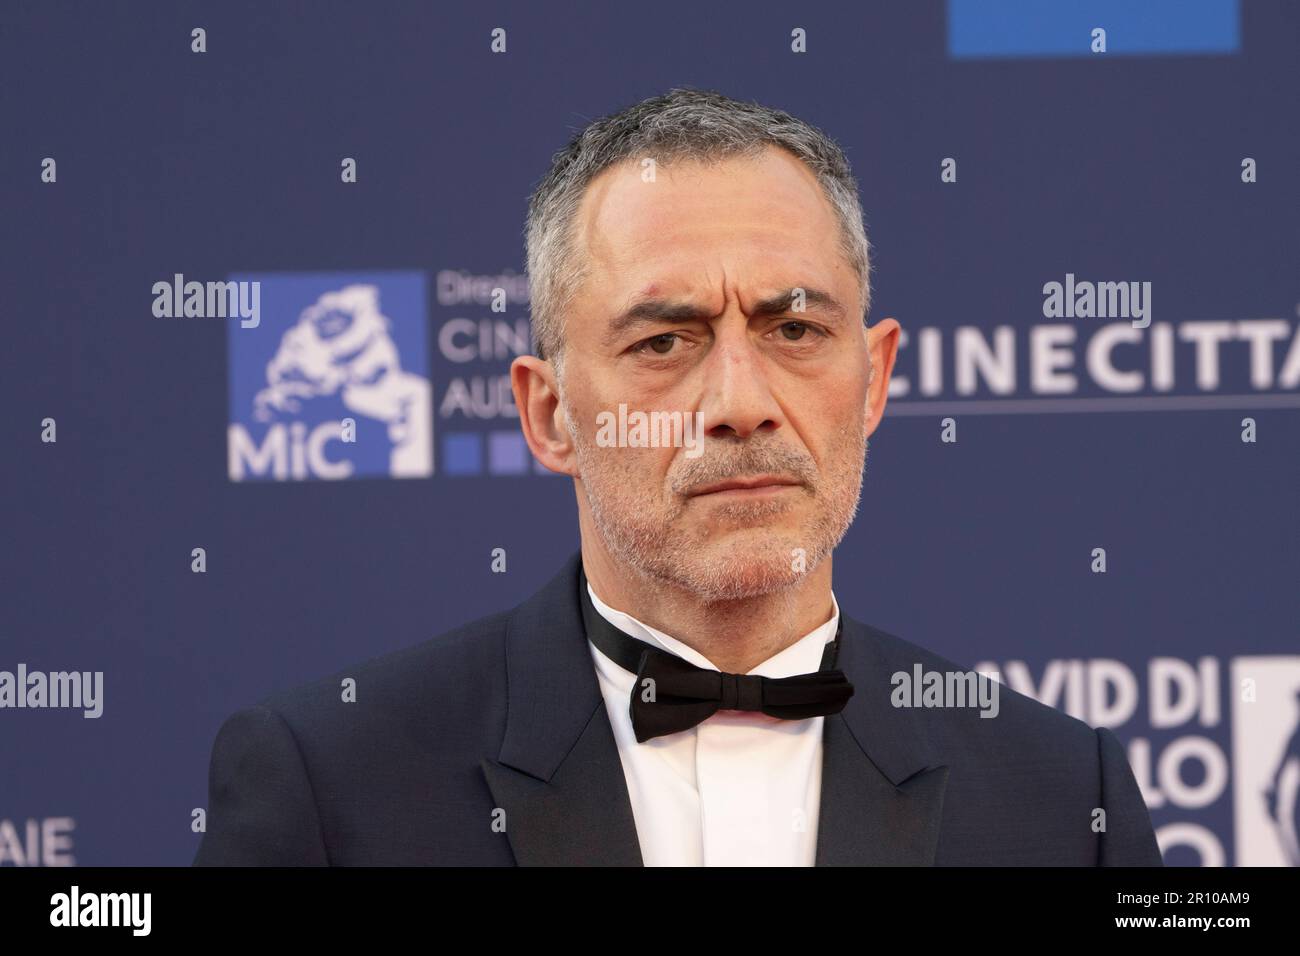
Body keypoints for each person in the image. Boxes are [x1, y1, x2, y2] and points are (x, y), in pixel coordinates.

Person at [194, 88, 1162, 866]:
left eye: (794, 329)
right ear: (548, 412)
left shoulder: (1062, 798)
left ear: (873, 380)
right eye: (664, 339)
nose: (739, 401)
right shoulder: (332, 783)